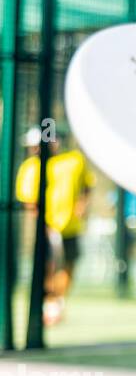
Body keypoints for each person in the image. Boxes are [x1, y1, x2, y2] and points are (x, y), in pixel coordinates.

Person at [15, 127, 95, 325]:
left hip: (71, 227)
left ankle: (56, 302)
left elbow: (87, 186)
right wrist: (43, 224)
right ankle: (49, 304)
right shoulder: (30, 167)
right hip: (47, 227)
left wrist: (82, 204)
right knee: (47, 267)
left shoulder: (75, 160)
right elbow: (29, 201)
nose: (34, 149)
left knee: (69, 265)